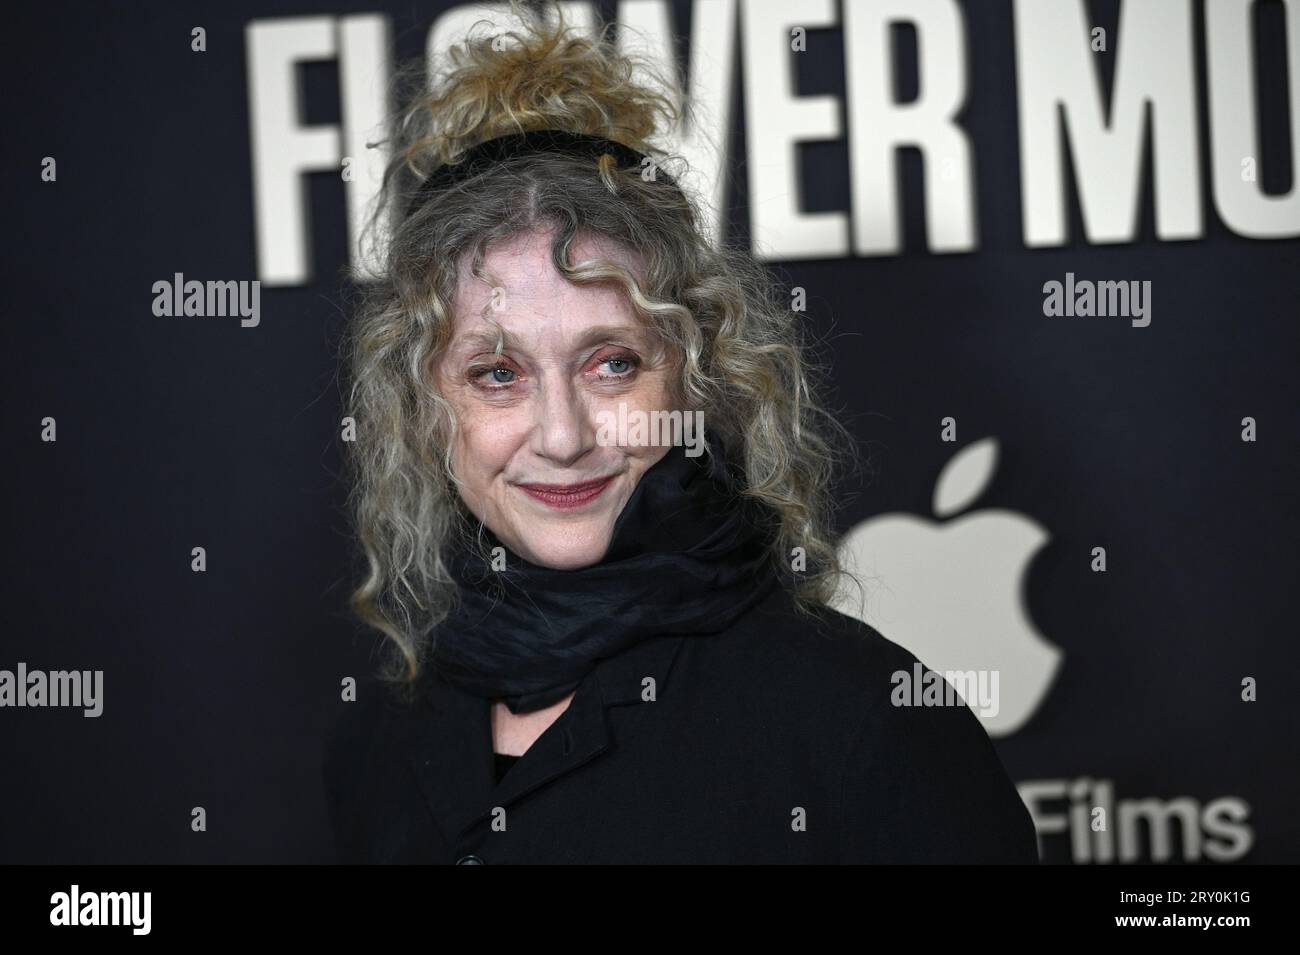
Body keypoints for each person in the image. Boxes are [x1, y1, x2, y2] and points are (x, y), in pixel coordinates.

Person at [323, 1, 1038, 864]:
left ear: (698, 377)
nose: (561, 434)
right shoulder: (375, 746)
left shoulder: (861, 715)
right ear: (425, 410)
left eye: (612, 363)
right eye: (498, 374)